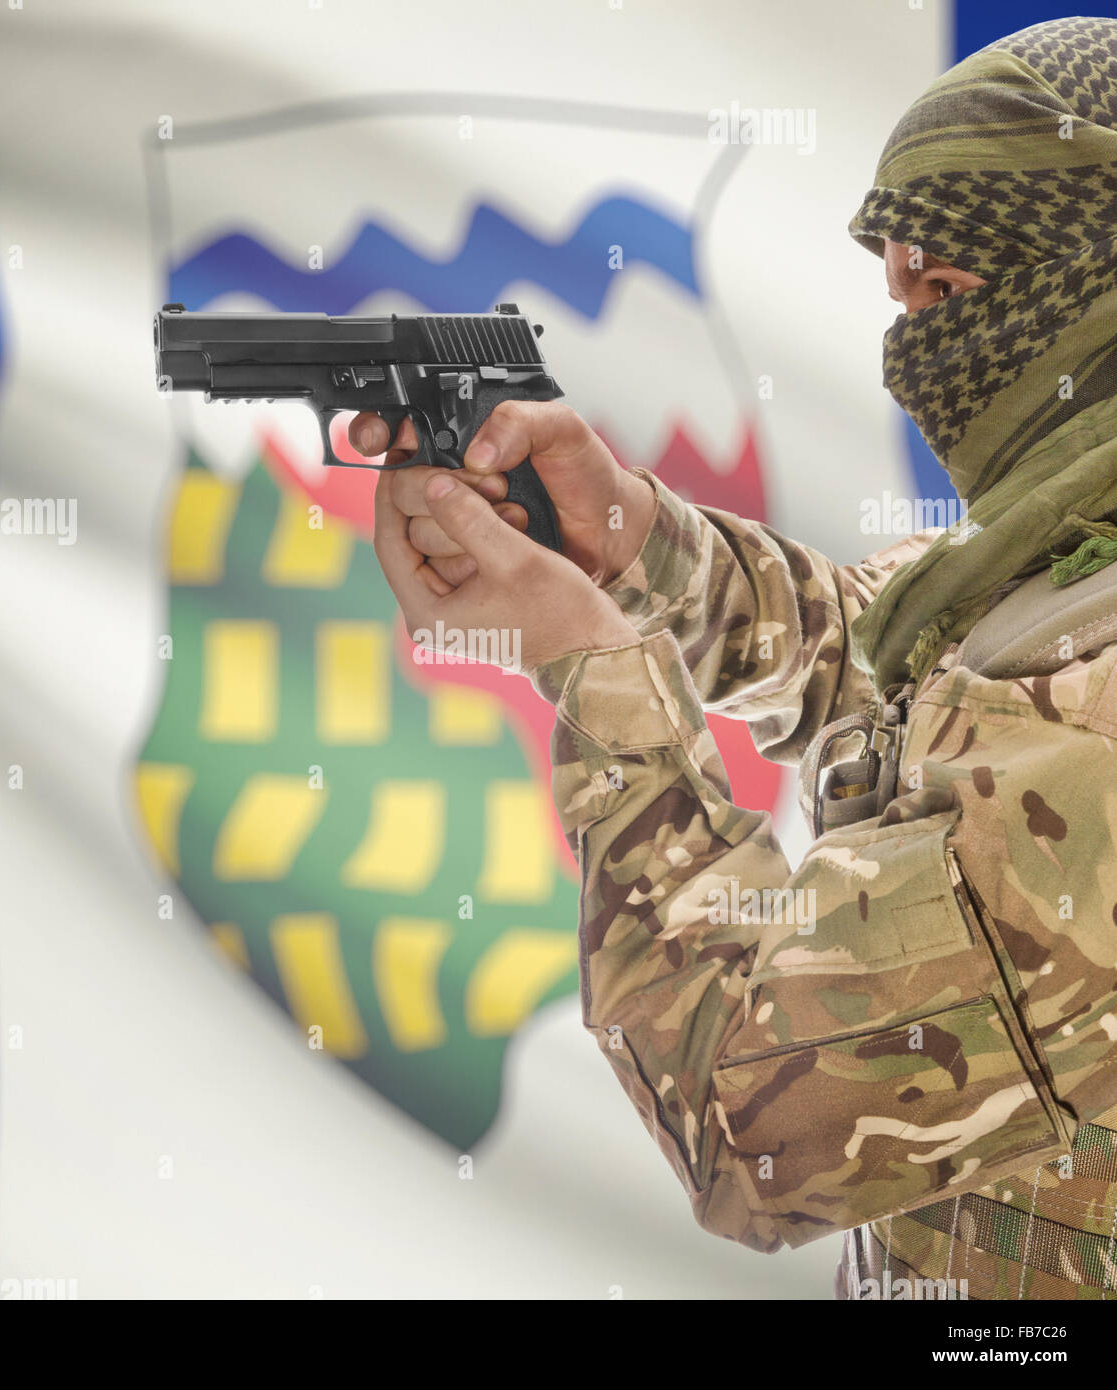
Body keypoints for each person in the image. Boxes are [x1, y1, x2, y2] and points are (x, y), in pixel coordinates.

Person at [352, 16, 1117, 1300]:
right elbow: (891, 664)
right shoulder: (1061, 556)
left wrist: (593, 666)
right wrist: (631, 539)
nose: (910, 348)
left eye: (946, 293)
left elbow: (750, 1122)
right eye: (898, 292)